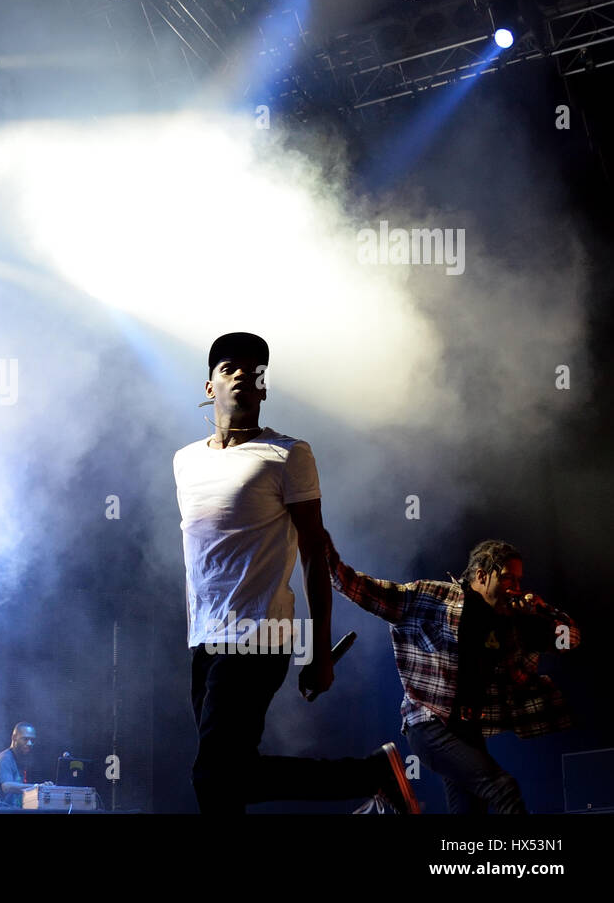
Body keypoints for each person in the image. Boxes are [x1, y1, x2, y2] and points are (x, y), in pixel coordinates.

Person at [174, 332, 416, 813]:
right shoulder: (185, 460)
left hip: (259, 633)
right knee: (226, 783)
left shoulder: (289, 454)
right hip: (203, 639)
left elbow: (314, 554)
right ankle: (375, 774)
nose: (243, 373)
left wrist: (319, 649)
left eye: (254, 370)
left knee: (212, 774)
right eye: (229, 368)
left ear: (264, 388)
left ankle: (368, 774)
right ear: (208, 387)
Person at [324, 534, 580, 813]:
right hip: (429, 723)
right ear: (482, 575)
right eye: (508, 579)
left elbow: (570, 639)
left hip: (468, 732)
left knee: (470, 811)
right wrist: (322, 550)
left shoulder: (514, 620)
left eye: (518, 580)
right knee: (503, 788)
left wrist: (541, 611)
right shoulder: (434, 598)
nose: (516, 588)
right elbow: (361, 588)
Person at [0, 722, 51, 808]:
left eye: (32, 740)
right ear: (14, 738)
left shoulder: (23, 758)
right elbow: (7, 786)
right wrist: (37, 788)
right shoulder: (5, 758)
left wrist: (46, 788)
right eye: (25, 739)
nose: (29, 743)